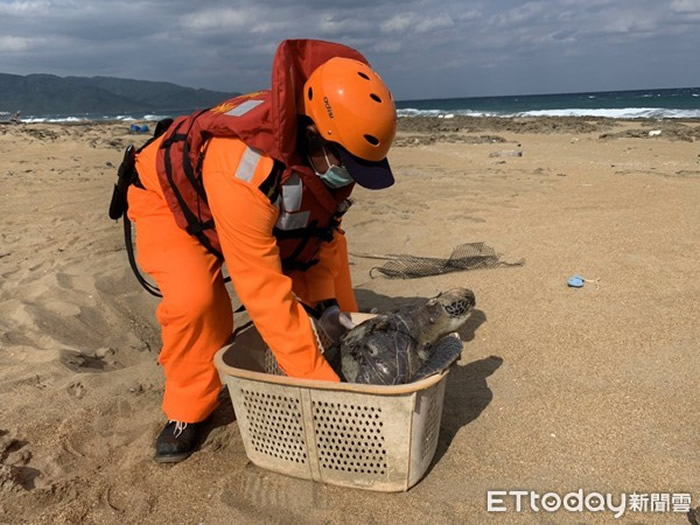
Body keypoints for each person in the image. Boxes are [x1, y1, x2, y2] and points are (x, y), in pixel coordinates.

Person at [124, 39, 397, 463]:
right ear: (312, 133)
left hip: (247, 208)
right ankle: (187, 411)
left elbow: (321, 237)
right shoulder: (245, 166)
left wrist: (328, 310)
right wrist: (326, 394)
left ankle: (334, 353)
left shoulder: (331, 155)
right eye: (344, 162)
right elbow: (262, 289)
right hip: (172, 202)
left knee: (337, 296)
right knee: (196, 303)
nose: (349, 177)